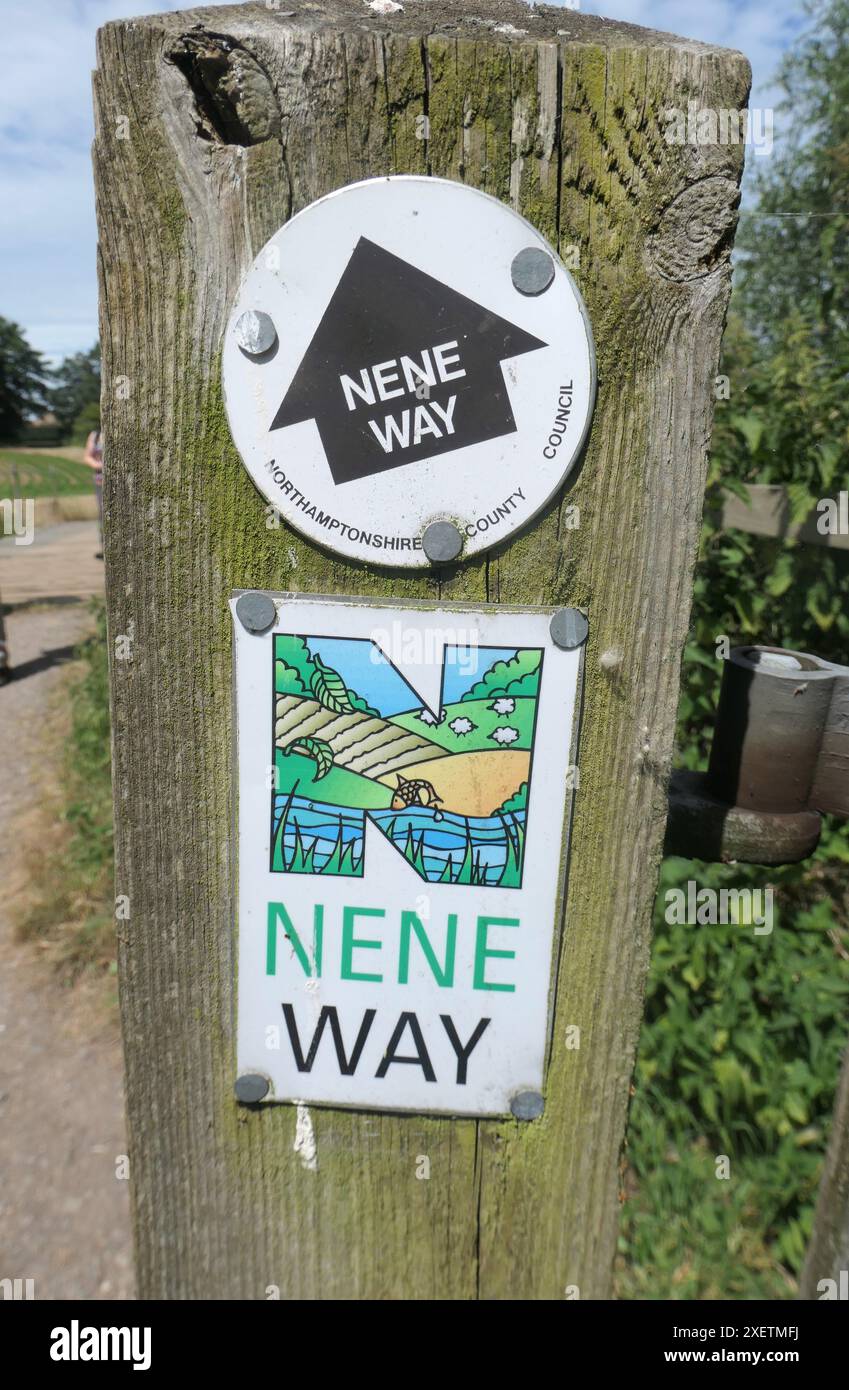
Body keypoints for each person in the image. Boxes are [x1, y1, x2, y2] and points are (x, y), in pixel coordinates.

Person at [83, 424, 104, 559]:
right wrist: (101, 465)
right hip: (101, 480)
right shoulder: (95, 435)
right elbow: (88, 456)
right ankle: (104, 546)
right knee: (103, 512)